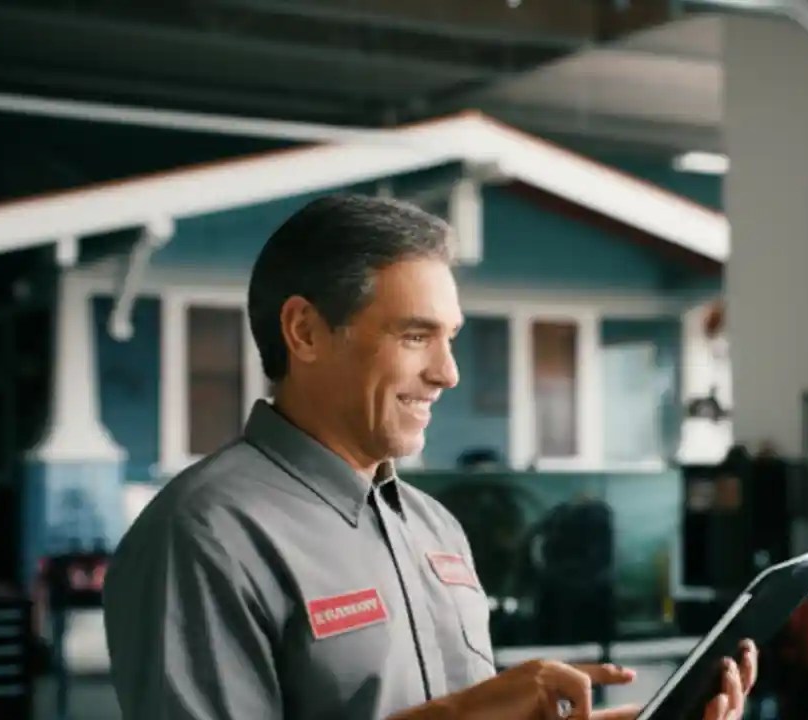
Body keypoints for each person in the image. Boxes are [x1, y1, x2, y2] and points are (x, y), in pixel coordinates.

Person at [102, 194, 757, 720]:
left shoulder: (434, 527)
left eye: (450, 339)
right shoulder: (204, 536)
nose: (448, 373)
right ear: (305, 332)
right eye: (415, 336)